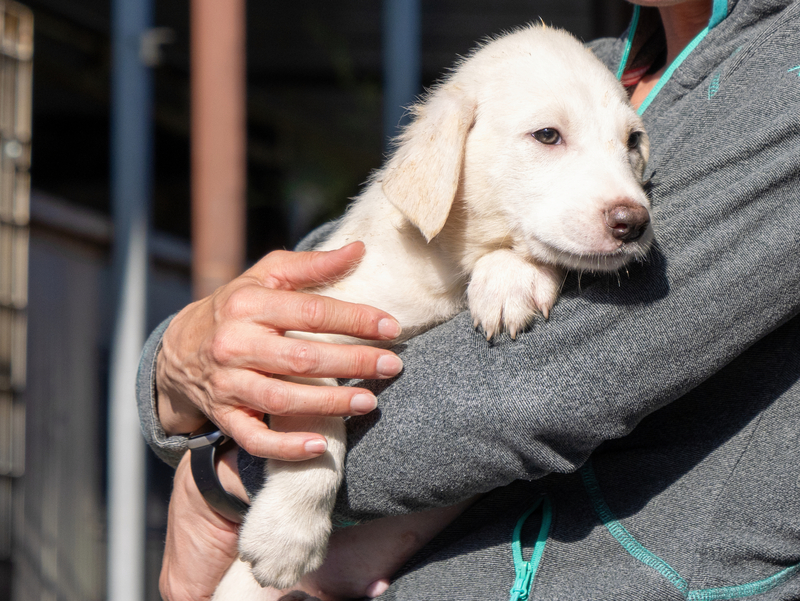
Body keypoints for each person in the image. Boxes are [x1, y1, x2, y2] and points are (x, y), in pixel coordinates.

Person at [140, 0, 800, 598]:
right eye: (549, 138)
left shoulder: (779, 78)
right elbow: (305, 279)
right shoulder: (585, 73)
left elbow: (536, 388)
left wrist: (224, 480)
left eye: (632, 147)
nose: (627, 193)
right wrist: (176, 358)